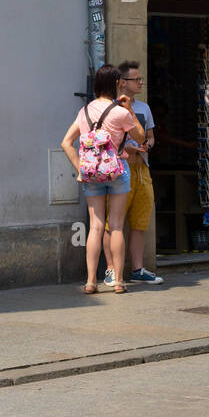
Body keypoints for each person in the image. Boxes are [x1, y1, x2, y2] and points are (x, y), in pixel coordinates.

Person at [61, 64, 145, 294]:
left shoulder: (84, 111)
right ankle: (118, 281)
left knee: (95, 227)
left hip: (91, 174)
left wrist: (81, 169)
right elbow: (141, 137)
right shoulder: (120, 112)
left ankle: (90, 281)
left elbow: (66, 142)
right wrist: (129, 112)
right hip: (117, 170)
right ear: (118, 84)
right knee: (116, 226)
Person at [102, 61, 163, 286]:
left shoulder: (144, 108)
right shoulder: (110, 108)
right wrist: (126, 148)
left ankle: (137, 268)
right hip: (120, 168)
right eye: (136, 79)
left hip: (142, 168)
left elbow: (151, 136)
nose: (141, 82)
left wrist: (148, 143)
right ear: (122, 83)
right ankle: (110, 269)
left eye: (140, 79)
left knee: (140, 220)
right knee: (113, 222)